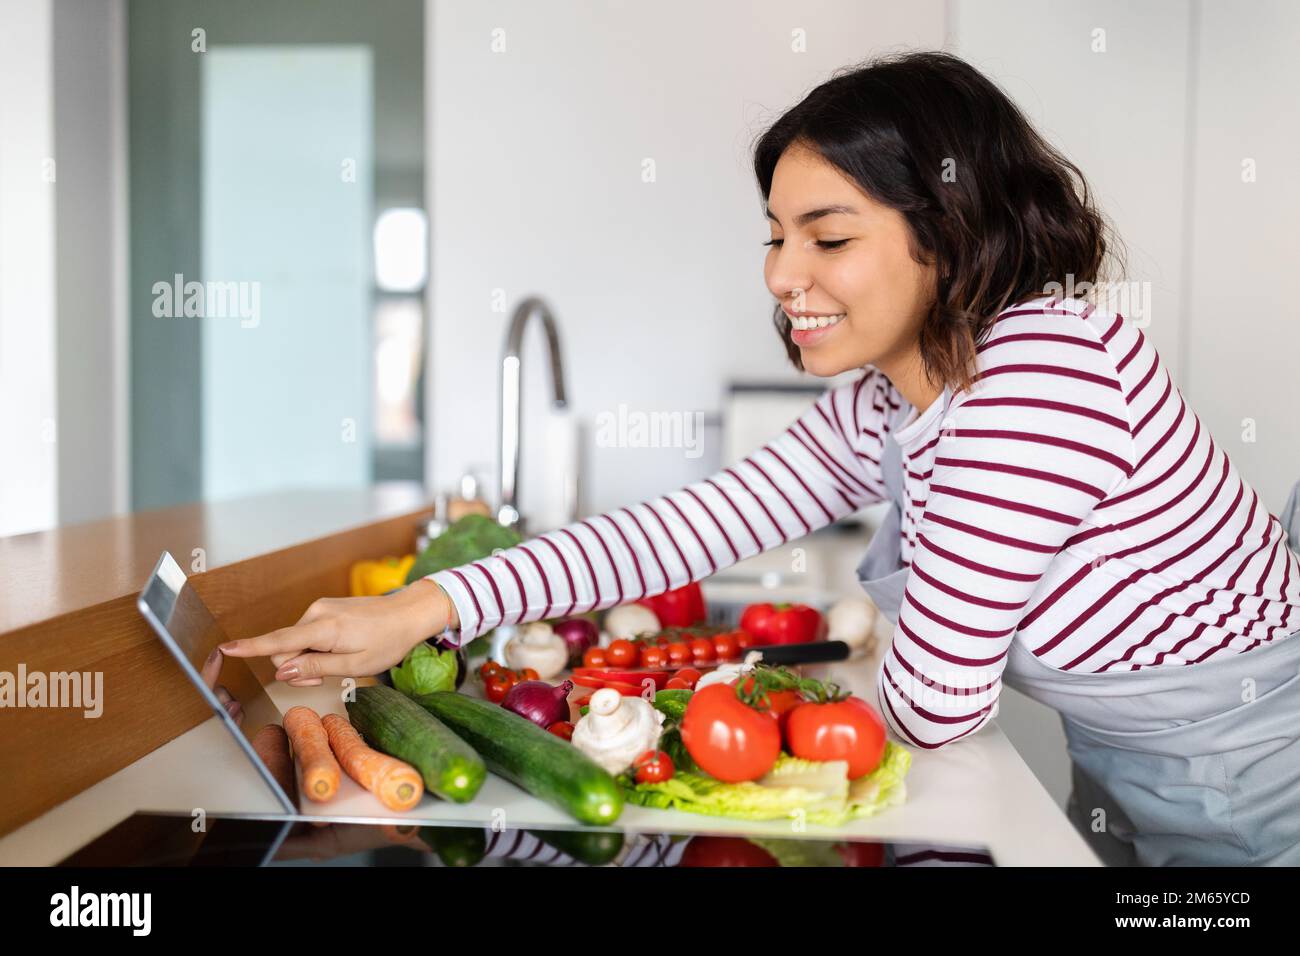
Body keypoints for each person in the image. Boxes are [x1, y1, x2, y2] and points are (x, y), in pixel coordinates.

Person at [221, 51, 1300, 866]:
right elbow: (689, 525)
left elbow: (935, 702)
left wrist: (702, 711)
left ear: (953, 228)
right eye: (774, 234)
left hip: (1256, 768)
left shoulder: (1038, 376)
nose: (784, 273)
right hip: (1128, 758)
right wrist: (424, 607)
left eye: (827, 238)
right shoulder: (895, 387)